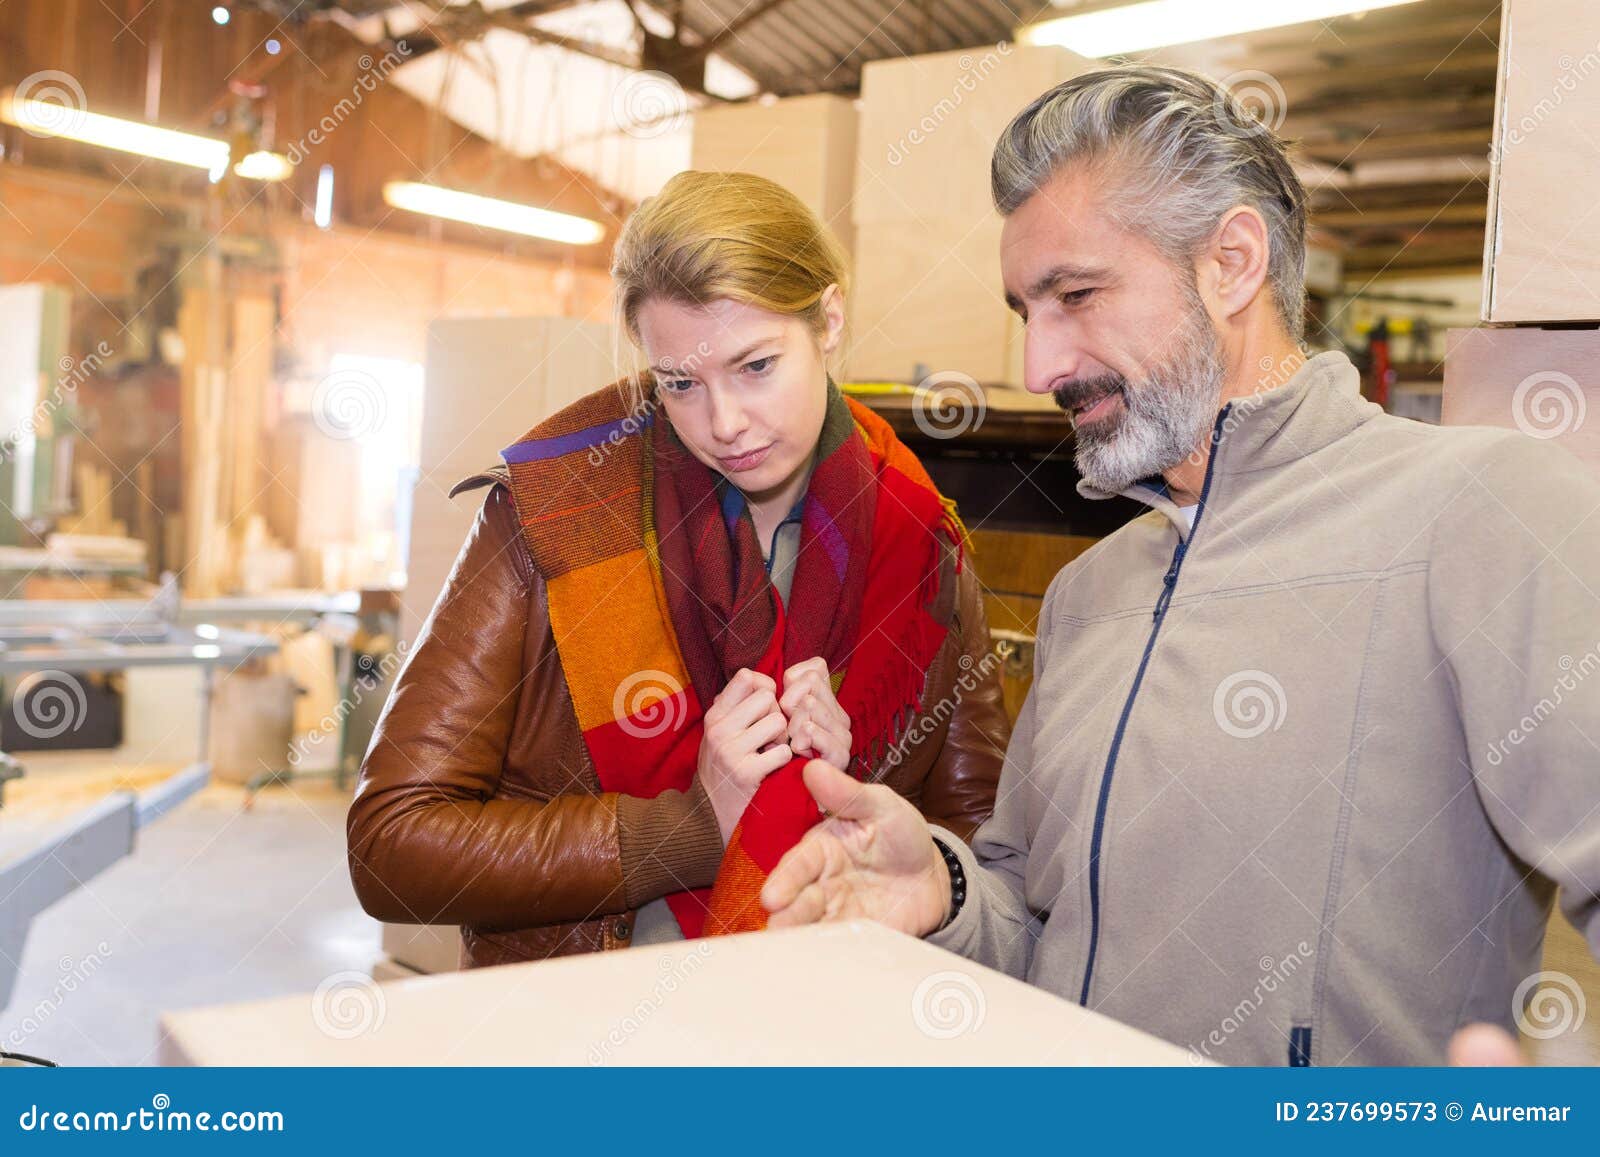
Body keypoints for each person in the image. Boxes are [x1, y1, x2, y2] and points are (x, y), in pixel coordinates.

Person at [760, 66, 1600, 1066]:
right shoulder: (1090, 593)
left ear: (1231, 262)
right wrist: (943, 889)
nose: (1038, 366)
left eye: (1074, 294)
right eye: (1026, 310)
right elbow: (1034, 924)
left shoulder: (1481, 509)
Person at [347, 170, 1010, 965]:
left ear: (829, 320)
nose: (724, 423)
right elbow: (392, 844)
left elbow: (983, 849)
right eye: (680, 384)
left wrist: (852, 790)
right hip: (589, 1044)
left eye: (756, 366)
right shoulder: (554, 515)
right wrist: (691, 826)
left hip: (829, 1026)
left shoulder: (919, 533)